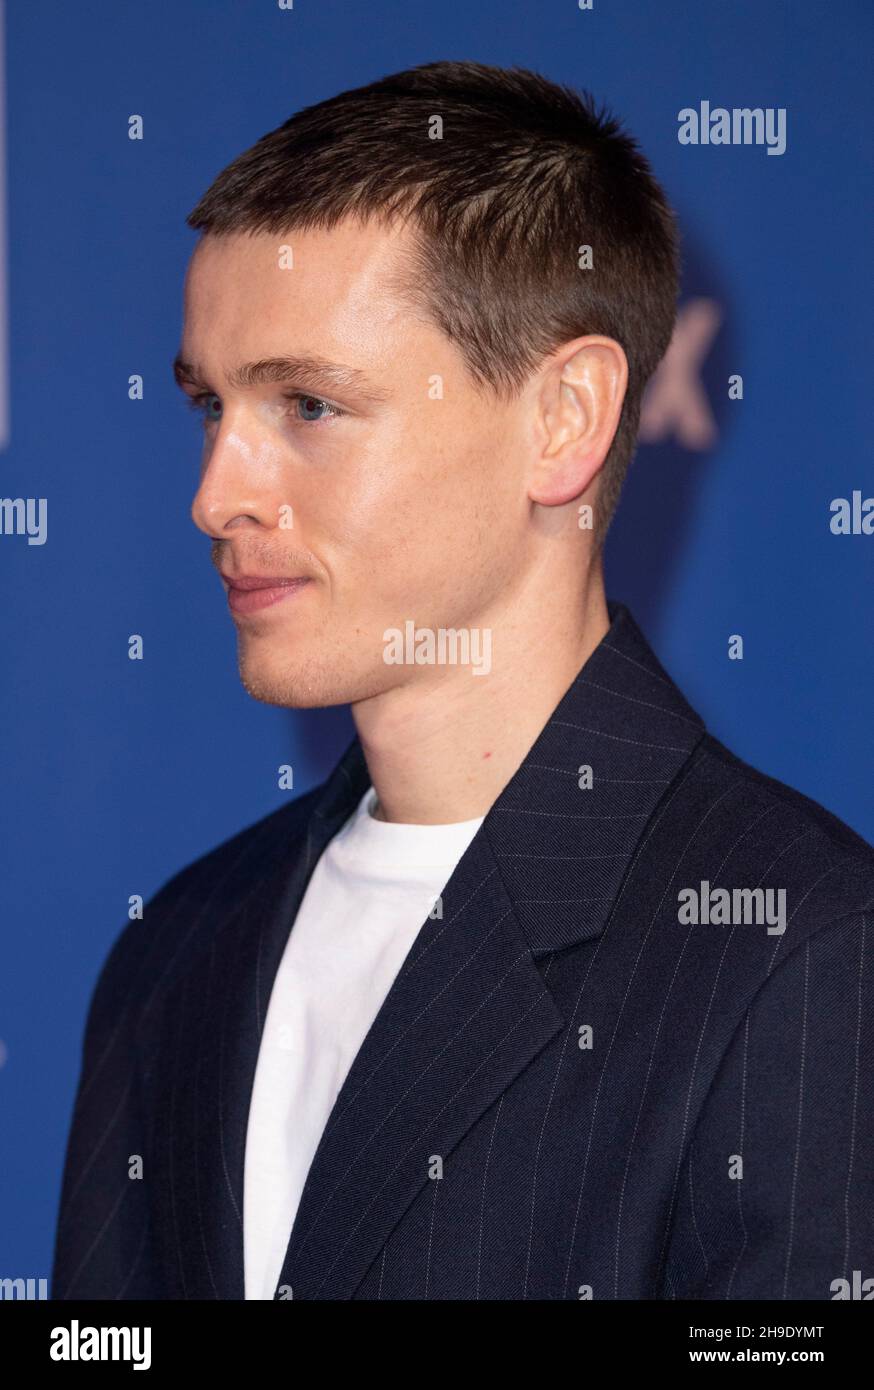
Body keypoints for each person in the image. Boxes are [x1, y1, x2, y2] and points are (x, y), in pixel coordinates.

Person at [52, 60, 873, 1302]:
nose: (216, 494)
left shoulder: (796, 952)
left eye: (310, 404)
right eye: (211, 405)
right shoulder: (177, 948)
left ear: (565, 419)